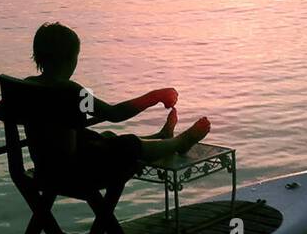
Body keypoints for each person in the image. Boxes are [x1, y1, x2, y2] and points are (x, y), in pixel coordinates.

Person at [15, 22, 210, 191]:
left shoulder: (27, 86)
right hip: (74, 172)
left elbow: (2, 112)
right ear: (70, 59)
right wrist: (154, 97)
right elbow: (114, 113)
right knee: (129, 145)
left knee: (106, 137)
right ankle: (180, 142)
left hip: (45, 167)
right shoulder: (70, 91)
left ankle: (160, 138)